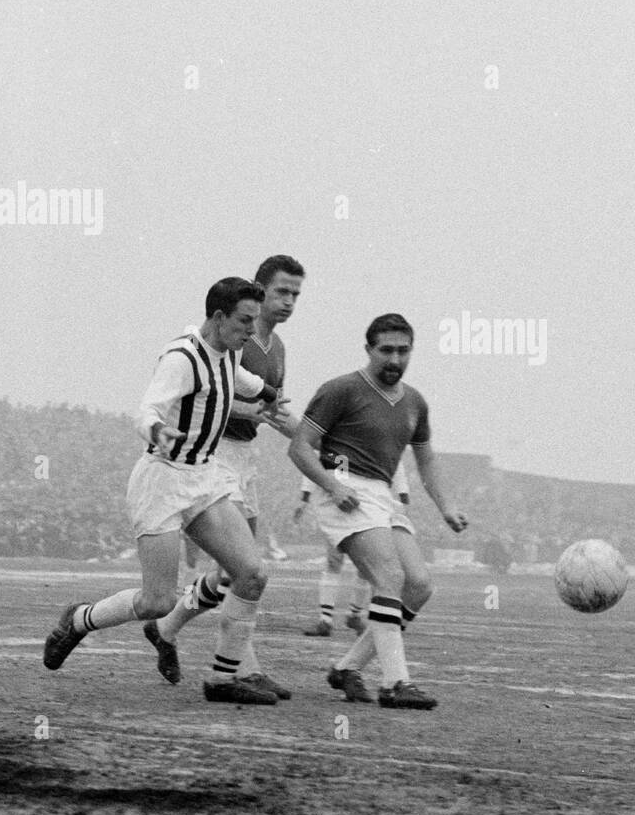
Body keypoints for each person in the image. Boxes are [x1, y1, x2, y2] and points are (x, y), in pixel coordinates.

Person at [42, 277, 289, 704]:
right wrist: (157, 429)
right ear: (218, 317)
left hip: (203, 479)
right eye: (245, 321)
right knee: (157, 601)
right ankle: (78, 620)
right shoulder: (181, 357)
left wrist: (269, 395)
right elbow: (147, 409)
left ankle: (223, 679)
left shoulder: (228, 352)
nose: (252, 330)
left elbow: (242, 378)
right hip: (162, 479)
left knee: (252, 573)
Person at [288, 313, 468, 709]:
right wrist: (332, 486)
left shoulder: (416, 402)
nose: (395, 359)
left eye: (403, 351)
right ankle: (396, 683)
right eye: (386, 350)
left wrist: (447, 506)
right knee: (388, 576)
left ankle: (348, 667)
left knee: (418, 586)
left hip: (382, 493)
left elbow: (426, 461)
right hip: (345, 489)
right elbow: (299, 447)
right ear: (369, 349)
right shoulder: (341, 390)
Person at [143, 256, 304, 695]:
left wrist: (309, 436)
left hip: (244, 456)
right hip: (213, 456)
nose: (289, 302)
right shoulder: (235, 337)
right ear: (260, 290)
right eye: (282, 292)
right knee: (242, 566)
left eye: (296, 294)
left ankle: (171, 629)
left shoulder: (277, 348)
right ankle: (236, 670)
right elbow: (206, 396)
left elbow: (268, 406)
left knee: (240, 569)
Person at [297, 462, 410, 636]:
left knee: (366, 566)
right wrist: (305, 498)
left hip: (371, 503)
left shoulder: (379, 439)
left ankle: (355, 616)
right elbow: (318, 461)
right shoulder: (337, 441)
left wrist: (404, 498)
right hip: (340, 501)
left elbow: (395, 461)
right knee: (334, 560)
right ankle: (325, 621)